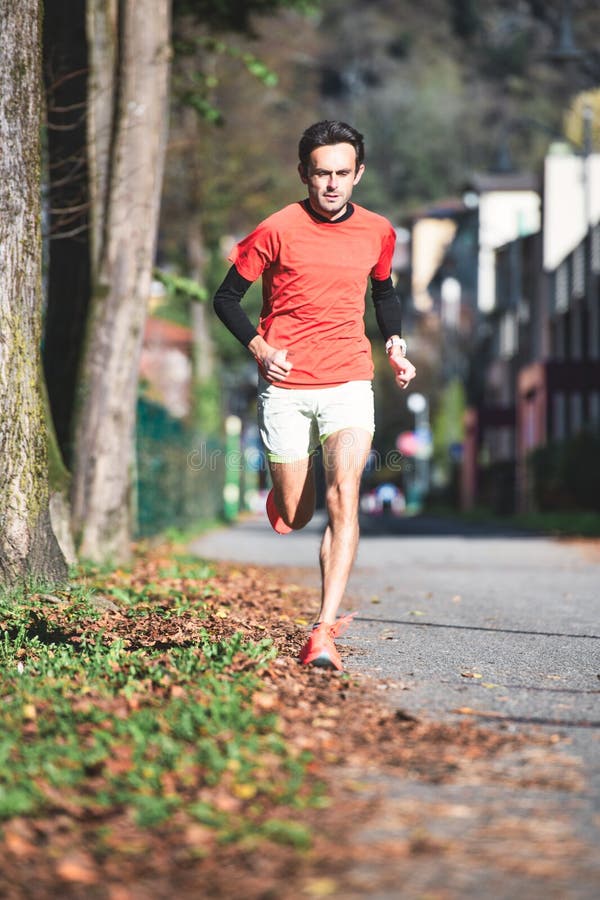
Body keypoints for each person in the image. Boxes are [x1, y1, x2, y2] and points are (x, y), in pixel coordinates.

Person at [213, 120, 416, 671]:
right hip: (285, 385)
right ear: (304, 173)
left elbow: (384, 290)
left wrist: (394, 345)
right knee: (299, 514)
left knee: (344, 496)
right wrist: (259, 348)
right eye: (321, 173)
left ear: (359, 174)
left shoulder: (377, 230)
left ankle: (323, 630)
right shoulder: (276, 228)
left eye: (342, 174)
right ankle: (284, 499)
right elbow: (226, 298)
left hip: (350, 379)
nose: (331, 185)